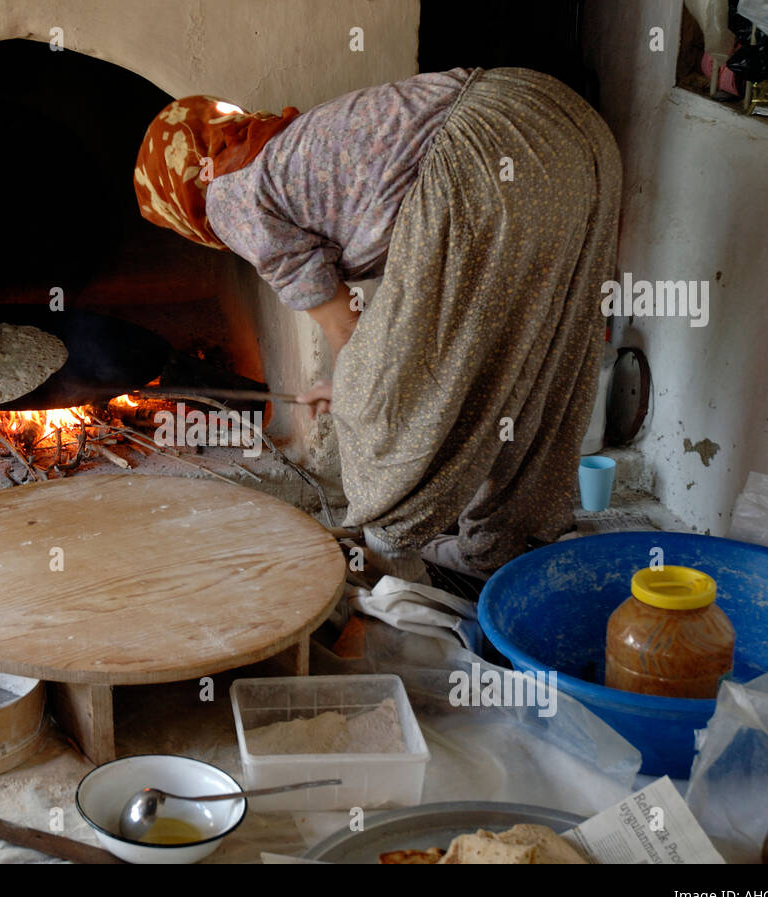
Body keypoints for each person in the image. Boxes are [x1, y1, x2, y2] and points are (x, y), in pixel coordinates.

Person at [133, 68, 621, 575]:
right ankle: (509, 542)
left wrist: (349, 388)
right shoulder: (272, 147)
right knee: (541, 345)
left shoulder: (228, 195)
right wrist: (339, 379)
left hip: (480, 153)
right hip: (561, 120)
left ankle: (390, 557)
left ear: (178, 199)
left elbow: (348, 330)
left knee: (385, 393)